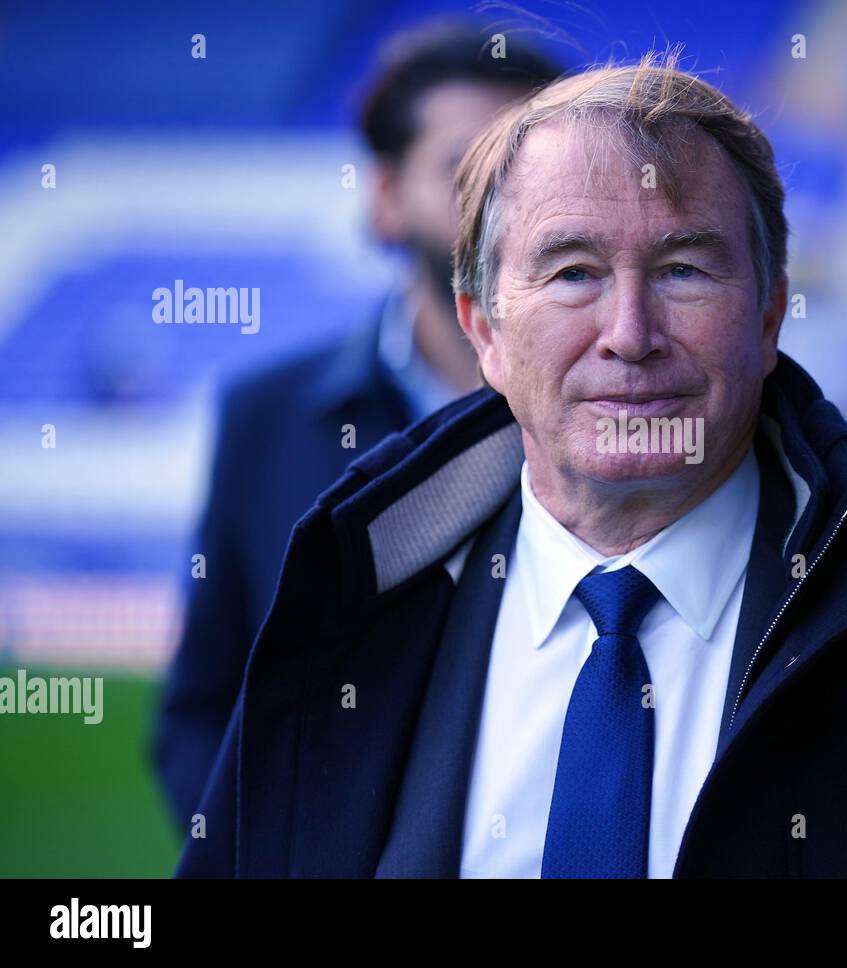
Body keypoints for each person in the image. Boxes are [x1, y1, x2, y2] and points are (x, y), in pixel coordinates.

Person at [176, 54, 847, 878]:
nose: (629, 332)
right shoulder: (350, 615)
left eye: (684, 269)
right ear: (483, 327)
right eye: (572, 271)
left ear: (768, 311)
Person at [152, 21, 559, 831]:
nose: (508, 201)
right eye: (464, 167)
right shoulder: (268, 417)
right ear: (384, 199)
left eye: (533, 166)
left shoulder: (638, 411)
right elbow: (202, 708)